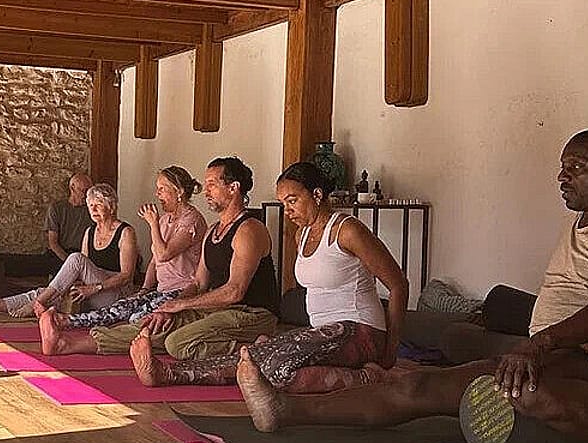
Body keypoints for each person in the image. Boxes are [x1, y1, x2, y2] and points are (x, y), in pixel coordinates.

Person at [236, 129, 588, 443]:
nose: (562, 177)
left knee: (524, 395)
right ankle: (284, 408)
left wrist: (538, 344)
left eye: (576, 168)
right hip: (555, 351)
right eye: (562, 167)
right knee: (421, 381)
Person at [130, 161, 408, 391]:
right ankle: (170, 373)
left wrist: (390, 351)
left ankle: (369, 377)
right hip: (323, 334)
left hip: (361, 332)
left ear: (317, 195)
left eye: (293, 201)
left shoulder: (348, 230)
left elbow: (398, 285)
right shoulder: (302, 235)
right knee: (256, 360)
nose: (288, 211)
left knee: (275, 365)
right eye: (283, 203)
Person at [39, 157, 279, 360]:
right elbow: (198, 283)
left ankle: (255, 349)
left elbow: (234, 291)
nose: (206, 191)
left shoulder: (249, 229)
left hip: (250, 313)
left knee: (177, 342)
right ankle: (65, 344)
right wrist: (168, 309)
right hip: (216, 308)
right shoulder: (214, 230)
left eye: (212, 184)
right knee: (153, 324)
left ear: (233, 188)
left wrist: (180, 304)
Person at [38, 166, 206, 351]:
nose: (157, 194)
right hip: (161, 290)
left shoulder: (192, 220)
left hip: (182, 291)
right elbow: (154, 261)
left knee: (137, 317)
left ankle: (70, 341)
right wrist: (143, 290)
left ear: (179, 191)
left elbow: (164, 254)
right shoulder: (165, 220)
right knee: (121, 307)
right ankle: (63, 320)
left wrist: (152, 224)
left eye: (162, 189)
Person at [0, 183, 137, 317]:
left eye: (98, 205)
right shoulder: (90, 232)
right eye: (90, 205)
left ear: (111, 206)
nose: (93, 210)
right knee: (47, 293)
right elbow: (82, 271)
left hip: (114, 296)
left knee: (75, 259)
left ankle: (35, 304)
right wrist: (76, 284)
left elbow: (126, 277)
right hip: (92, 293)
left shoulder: (125, 232)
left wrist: (94, 288)